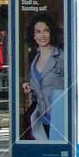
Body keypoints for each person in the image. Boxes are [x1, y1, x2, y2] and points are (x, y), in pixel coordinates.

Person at [21, 13, 67, 142]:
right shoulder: (34, 60)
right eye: (38, 32)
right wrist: (29, 85)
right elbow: (39, 82)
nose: (42, 35)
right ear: (33, 35)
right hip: (41, 117)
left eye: (46, 30)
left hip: (58, 115)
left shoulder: (62, 56)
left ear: (51, 32)